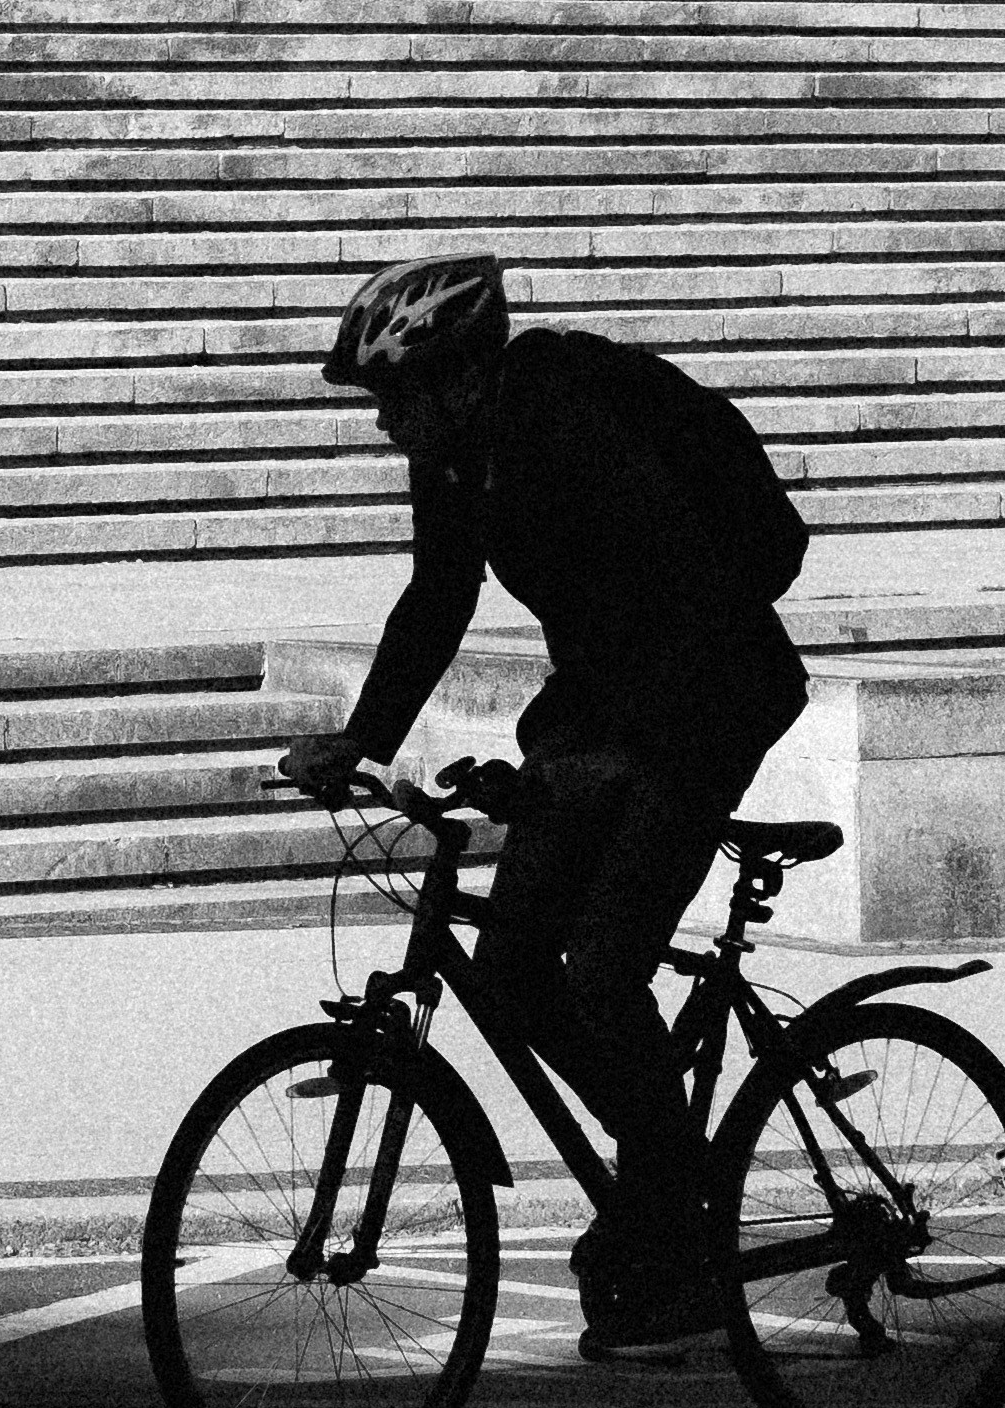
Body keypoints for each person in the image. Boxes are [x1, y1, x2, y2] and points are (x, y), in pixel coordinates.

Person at [276, 254, 809, 1351]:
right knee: (513, 969)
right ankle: (661, 1174)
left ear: (457, 379)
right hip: (608, 699)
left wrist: (574, 764)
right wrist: (364, 739)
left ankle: (670, 1225)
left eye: (390, 399)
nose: (381, 426)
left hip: (710, 689)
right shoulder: (457, 458)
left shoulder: (567, 424)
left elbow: (679, 596)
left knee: (603, 967)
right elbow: (437, 593)